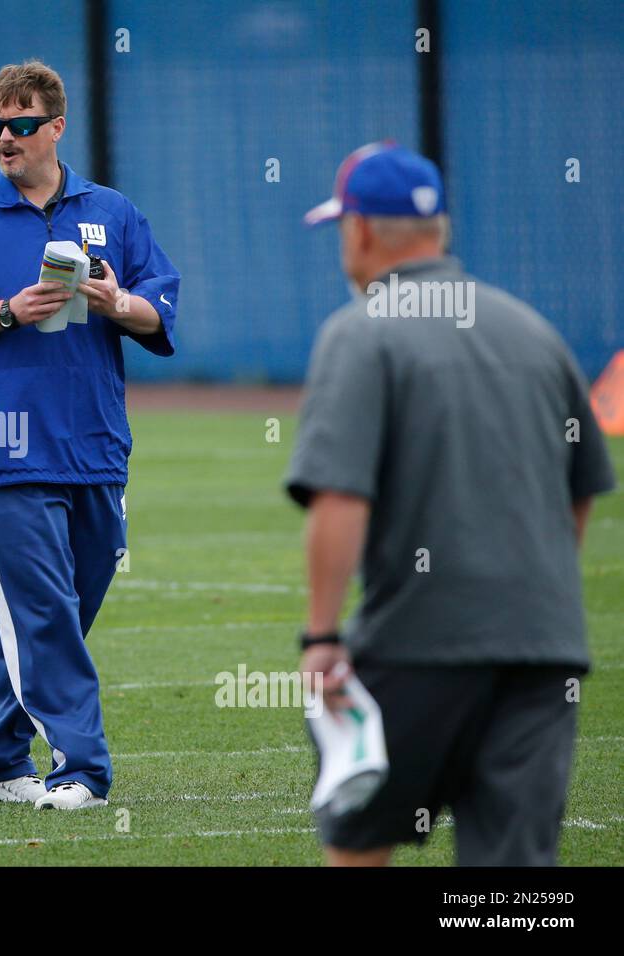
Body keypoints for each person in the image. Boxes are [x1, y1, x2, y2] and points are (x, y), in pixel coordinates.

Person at [288, 141, 615, 865]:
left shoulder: (360, 332)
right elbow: (582, 488)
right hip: (544, 648)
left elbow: (339, 498)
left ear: (362, 229)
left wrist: (320, 636)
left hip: (420, 643)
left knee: (362, 843)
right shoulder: (534, 332)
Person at [0, 60, 179, 810]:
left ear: (56, 127)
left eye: (21, 124)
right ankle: (82, 769)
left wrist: (119, 300)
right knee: (46, 611)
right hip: (3, 448)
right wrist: (5, 311)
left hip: (94, 445)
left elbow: (159, 311)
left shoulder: (113, 212)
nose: (5, 138)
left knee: (58, 608)